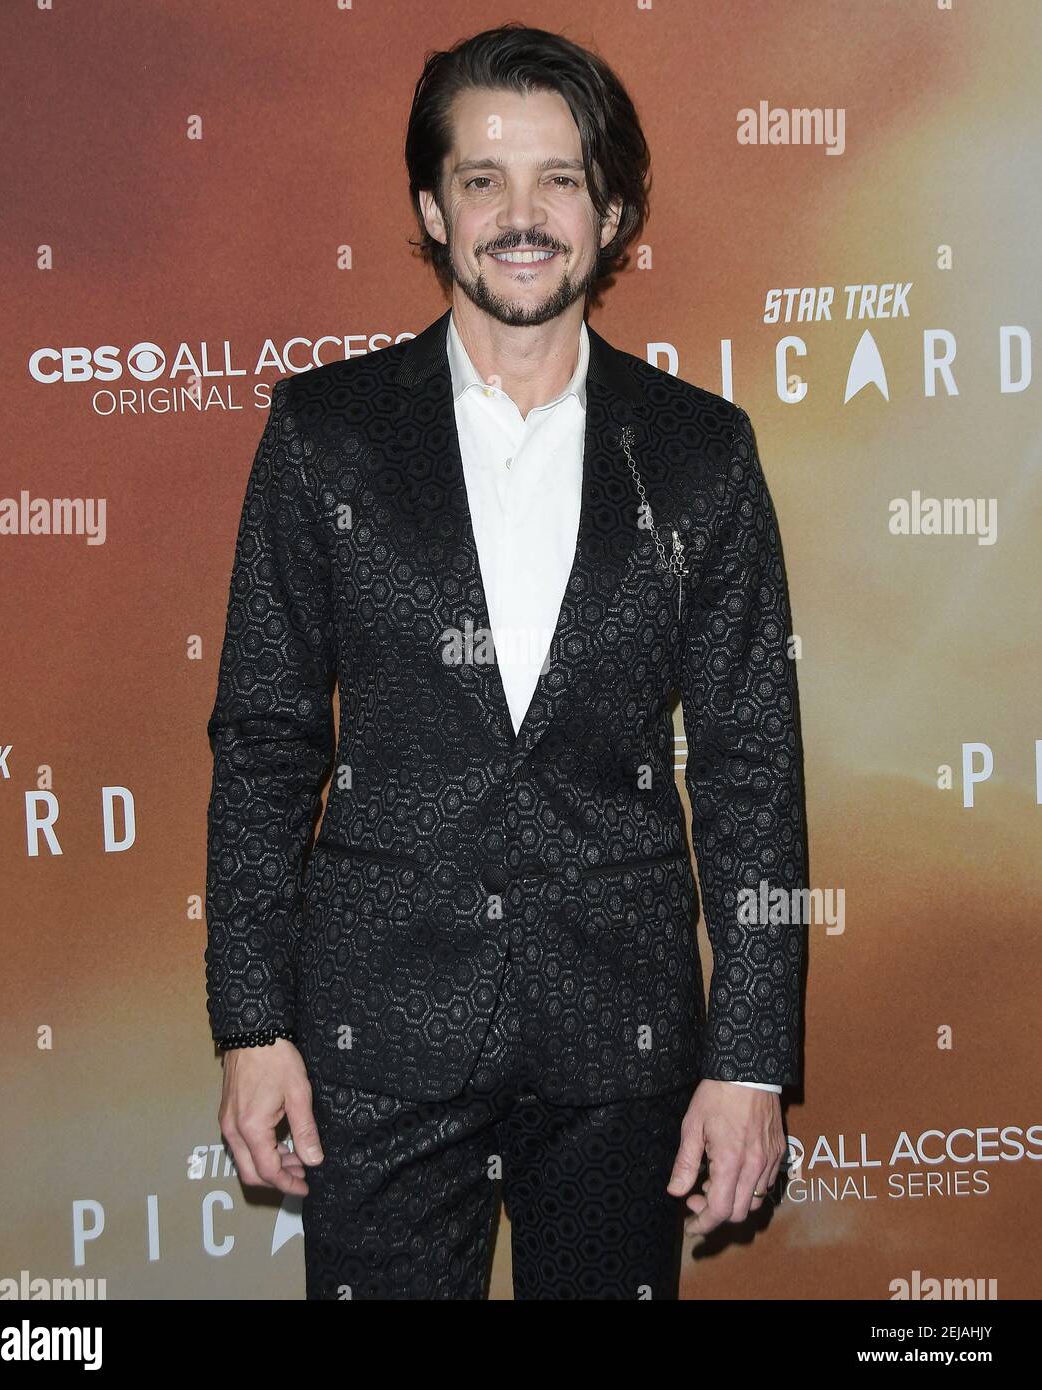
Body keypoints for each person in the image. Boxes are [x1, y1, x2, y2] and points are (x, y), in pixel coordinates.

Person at [204, 22, 807, 1300]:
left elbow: (752, 768)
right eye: (482, 178)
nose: (520, 214)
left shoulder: (701, 452)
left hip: (620, 1043)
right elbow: (264, 739)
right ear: (431, 207)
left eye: (559, 178)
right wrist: (253, 1024)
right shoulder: (326, 437)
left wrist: (749, 1059)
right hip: (377, 1039)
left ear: (613, 207)